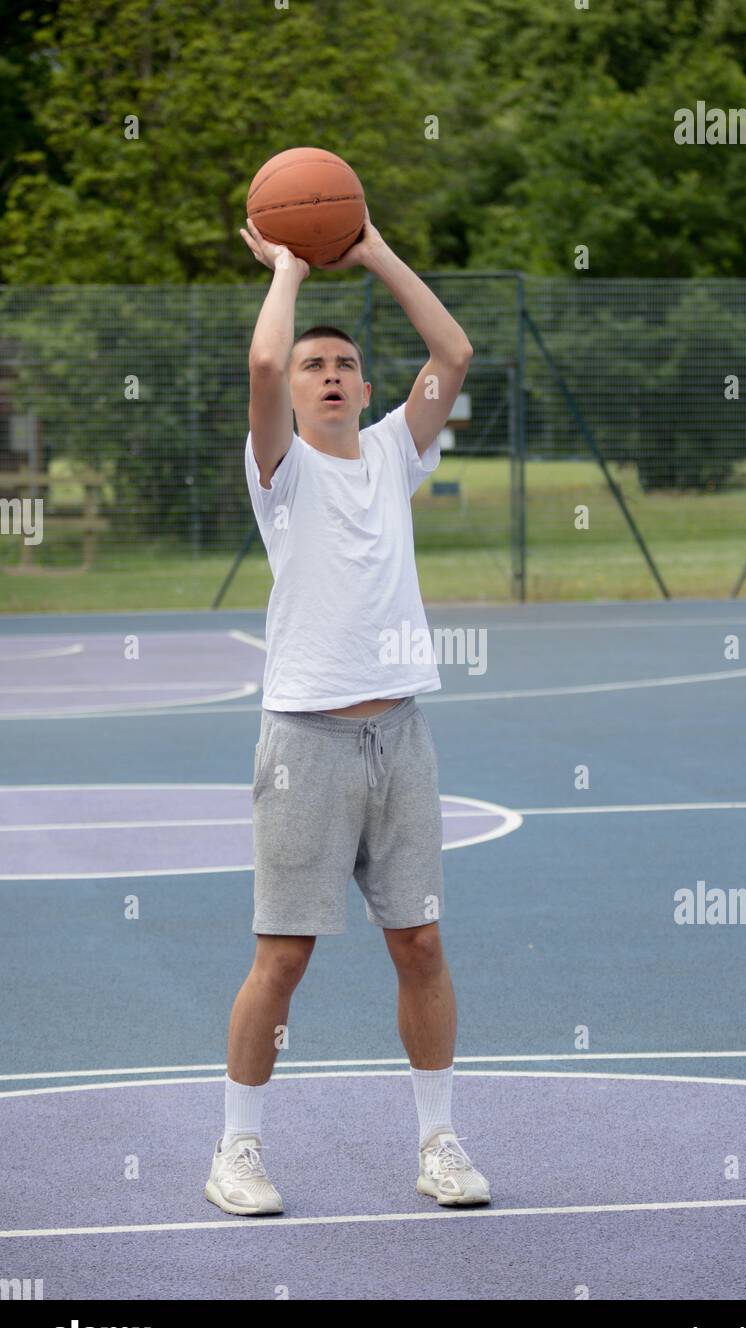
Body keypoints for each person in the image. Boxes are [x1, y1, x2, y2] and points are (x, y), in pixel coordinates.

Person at [204, 206, 491, 1216]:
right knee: (282, 955)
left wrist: (368, 249)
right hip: (305, 742)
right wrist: (285, 263)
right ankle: (236, 1150)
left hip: (399, 735)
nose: (325, 373)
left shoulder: (389, 452)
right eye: (310, 365)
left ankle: (439, 1142)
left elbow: (451, 350)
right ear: (291, 392)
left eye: (343, 365)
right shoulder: (277, 470)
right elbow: (257, 359)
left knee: (420, 944)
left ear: (366, 388)